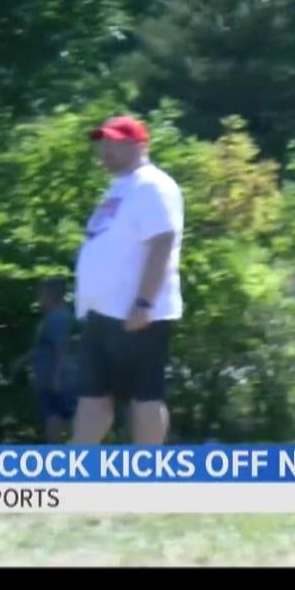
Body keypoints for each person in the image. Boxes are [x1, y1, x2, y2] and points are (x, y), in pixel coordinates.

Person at [71, 115, 184, 445]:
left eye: (115, 143)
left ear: (139, 145)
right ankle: (75, 471)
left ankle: (146, 476)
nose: (105, 150)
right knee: (93, 395)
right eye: (102, 143)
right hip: (100, 312)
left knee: (144, 397)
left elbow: (162, 241)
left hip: (136, 313)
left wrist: (144, 303)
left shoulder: (153, 184)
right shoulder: (119, 188)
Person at [11, 278, 78, 443]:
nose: (39, 298)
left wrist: (57, 375)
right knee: (53, 417)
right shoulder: (51, 318)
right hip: (47, 379)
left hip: (58, 378)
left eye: (41, 294)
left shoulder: (58, 318)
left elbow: (60, 348)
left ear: (50, 295)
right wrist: (23, 360)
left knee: (62, 419)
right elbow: (43, 347)